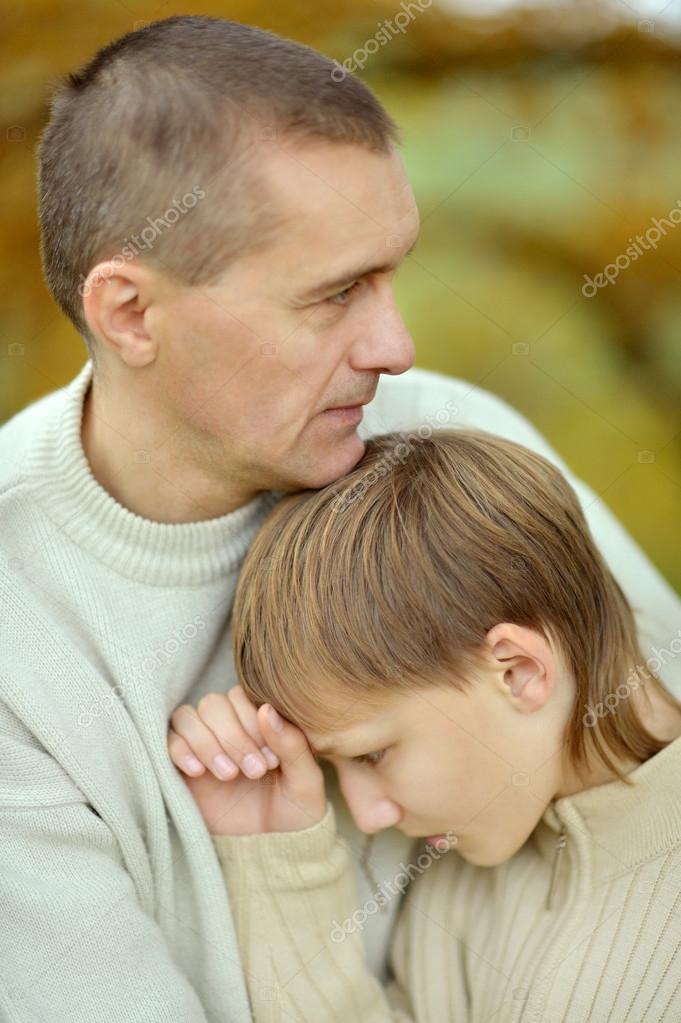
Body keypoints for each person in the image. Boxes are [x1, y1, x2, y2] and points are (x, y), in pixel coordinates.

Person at [1, 14, 680, 1023]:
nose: (398, 345)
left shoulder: (449, 435)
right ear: (132, 313)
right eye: (335, 295)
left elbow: (643, 754)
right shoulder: (18, 629)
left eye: (393, 271)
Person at [168, 428, 681, 1022]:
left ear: (518, 673)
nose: (368, 816)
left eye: (372, 756)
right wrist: (279, 855)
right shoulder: (460, 889)